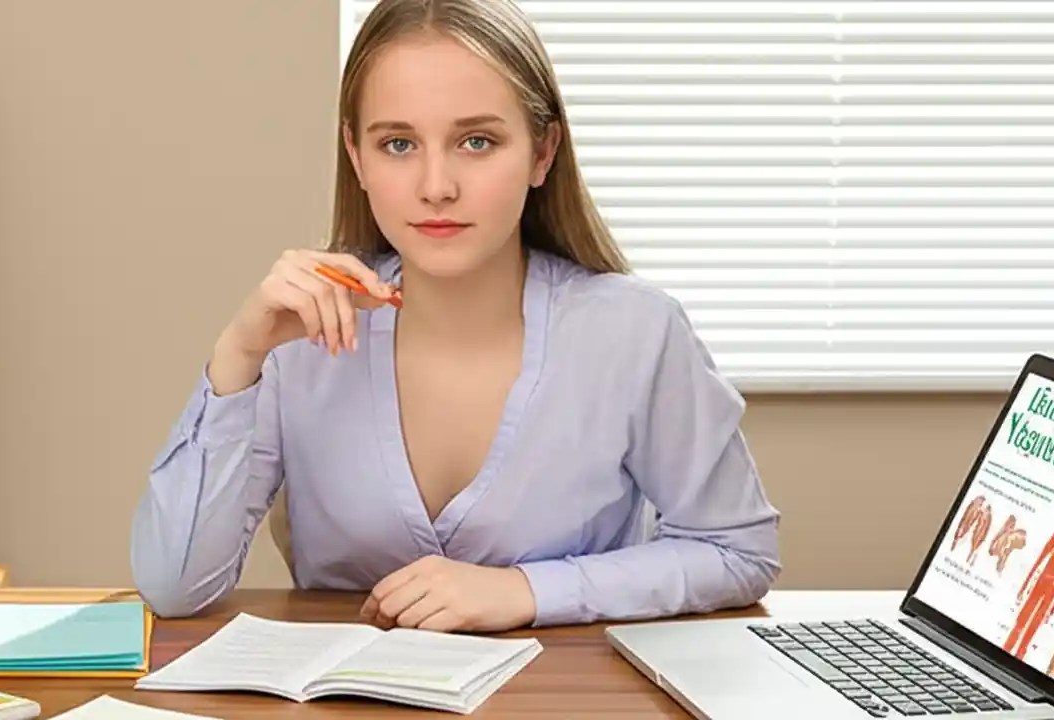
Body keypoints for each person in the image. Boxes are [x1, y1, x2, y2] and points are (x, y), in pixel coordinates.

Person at [130, 0, 781, 632]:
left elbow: (737, 551)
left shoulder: (636, 332)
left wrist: (526, 591)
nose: (436, 185)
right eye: (398, 144)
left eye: (476, 141)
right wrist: (239, 355)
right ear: (356, 156)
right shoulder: (299, 335)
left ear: (543, 152)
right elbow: (174, 588)